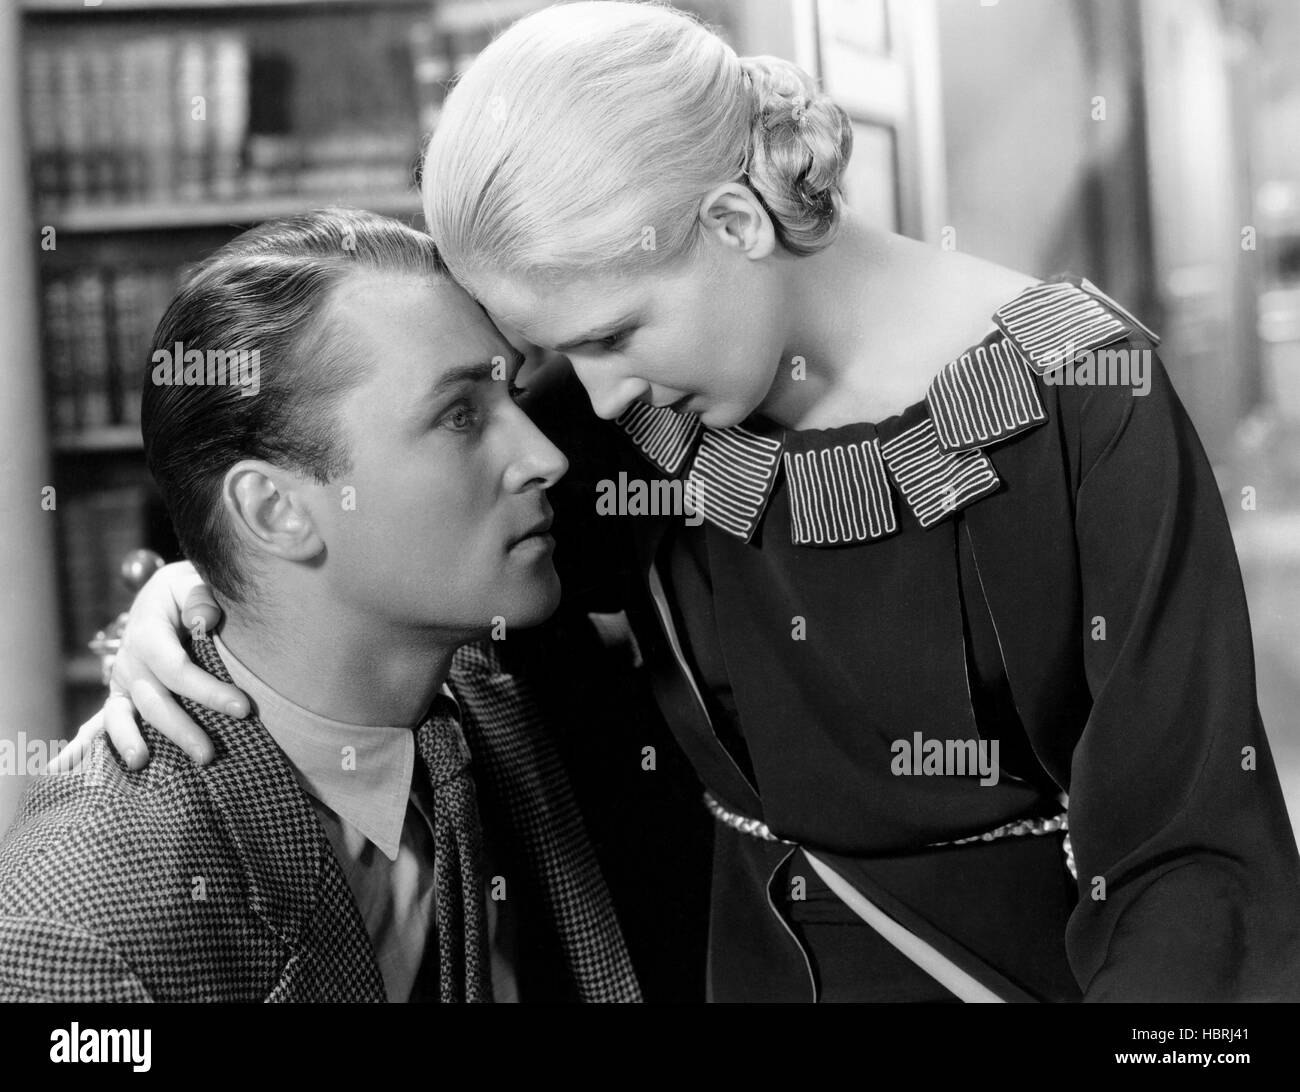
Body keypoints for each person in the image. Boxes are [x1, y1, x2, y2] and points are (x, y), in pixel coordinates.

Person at [88, 2, 1300, 1002]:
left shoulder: (1089, 391)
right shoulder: (628, 399)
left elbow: (1191, 855)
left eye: (611, 334)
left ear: (732, 220)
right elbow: (392, 552)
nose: (595, 400)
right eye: (549, 355)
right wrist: (197, 602)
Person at [0, 208, 642, 1003]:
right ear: (274, 512)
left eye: (506, 392)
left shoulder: (510, 665)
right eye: (459, 417)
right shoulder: (87, 928)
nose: (545, 457)